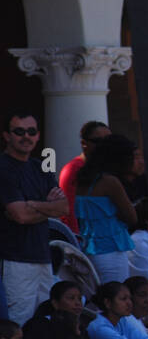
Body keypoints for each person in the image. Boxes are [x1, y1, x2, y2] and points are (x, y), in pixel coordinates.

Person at [0, 110, 68, 325]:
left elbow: (64, 207)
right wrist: (48, 206)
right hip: (14, 259)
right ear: (6, 135)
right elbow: (19, 215)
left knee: (47, 321)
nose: (26, 136)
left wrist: (34, 204)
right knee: (17, 324)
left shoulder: (42, 167)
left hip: (43, 257)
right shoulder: (3, 167)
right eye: (19, 131)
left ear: (38, 135)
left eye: (31, 131)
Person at [74, 134, 138, 284]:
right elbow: (132, 217)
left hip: (89, 250)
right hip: (111, 251)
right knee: (115, 299)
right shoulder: (110, 182)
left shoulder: (83, 180)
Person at [58, 120, 110, 234]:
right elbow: (68, 211)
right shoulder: (72, 170)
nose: (104, 145)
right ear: (84, 143)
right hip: (85, 242)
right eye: (98, 141)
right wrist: (77, 243)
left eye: (108, 141)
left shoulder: (107, 168)